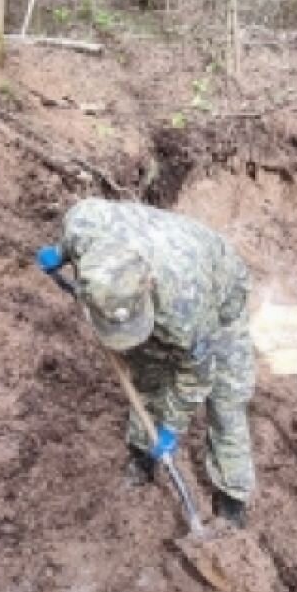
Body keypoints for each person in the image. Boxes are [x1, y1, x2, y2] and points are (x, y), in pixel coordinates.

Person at [40, 198, 256, 527]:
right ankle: (142, 456)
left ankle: (232, 498)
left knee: (226, 398)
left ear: (148, 289)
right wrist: (60, 254)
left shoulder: (187, 307)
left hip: (219, 286)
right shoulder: (83, 224)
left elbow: (196, 378)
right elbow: (75, 241)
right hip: (161, 269)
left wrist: (172, 427)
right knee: (147, 377)